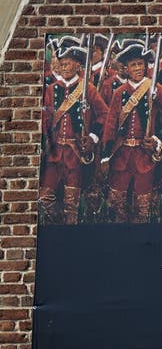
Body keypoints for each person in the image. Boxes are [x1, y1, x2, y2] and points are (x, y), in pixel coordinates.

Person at [101, 42, 162, 223]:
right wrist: (105, 156)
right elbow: (110, 125)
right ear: (126, 68)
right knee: (117, 205)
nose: (138, 68)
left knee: (143, 206)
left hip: (145, 155)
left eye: (140, 64)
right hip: (121, 155)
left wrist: (156, 139)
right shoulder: (119, 92)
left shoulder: (156, 89)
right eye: (133, 65)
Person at [40, 45, 108, 224]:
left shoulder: (88, 89)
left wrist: (92, 137)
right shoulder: (52, 89)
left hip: (76, 153)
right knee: (45, 198)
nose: (63, 67)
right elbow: (45, 121)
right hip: (54, 153)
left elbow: (104, 115)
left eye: (67, 64)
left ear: (78, 65)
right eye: (61, 64)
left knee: (72, 203)